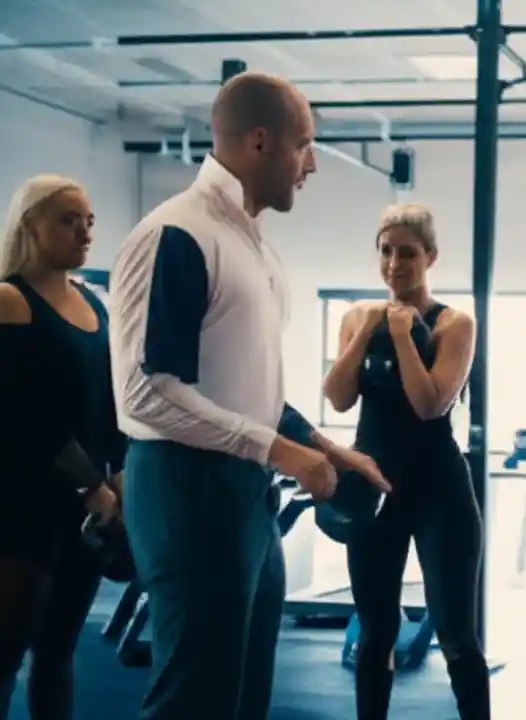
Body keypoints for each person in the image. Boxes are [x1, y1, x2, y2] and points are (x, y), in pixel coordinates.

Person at [108, 72, 390, 720]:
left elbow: (250, 391)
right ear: (261, 142)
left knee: (241, 701)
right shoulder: (176, 233)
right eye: (305, 144)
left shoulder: (256, 248)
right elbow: (146, 395)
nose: (312, 163)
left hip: (244, 496)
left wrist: (322, 447)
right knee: (195, 702)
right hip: (184, 486)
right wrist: (282, 453)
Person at [321, 202, 489, 719]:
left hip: (440, 490)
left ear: (431, 256)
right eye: (386, 251)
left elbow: (430, 403)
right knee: (376, 632)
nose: (395, 263)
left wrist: (399, 334)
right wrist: (368, 331)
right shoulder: (356, 317)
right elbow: (339, 397)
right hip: (373, 487)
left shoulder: (455, 324)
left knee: (458, 633)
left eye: (408, 253)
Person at [0, 175, 126, 720]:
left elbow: (112, 404)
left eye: (90, 220)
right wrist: (91, 485)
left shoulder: (95, 307)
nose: (85, 231)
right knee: (4, 656)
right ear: (31, 227)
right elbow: (24, 421)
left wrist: (119, 476)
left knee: (57, 654)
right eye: (69, 219)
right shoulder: (9, 300)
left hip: (87, 510)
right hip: (22, 508)